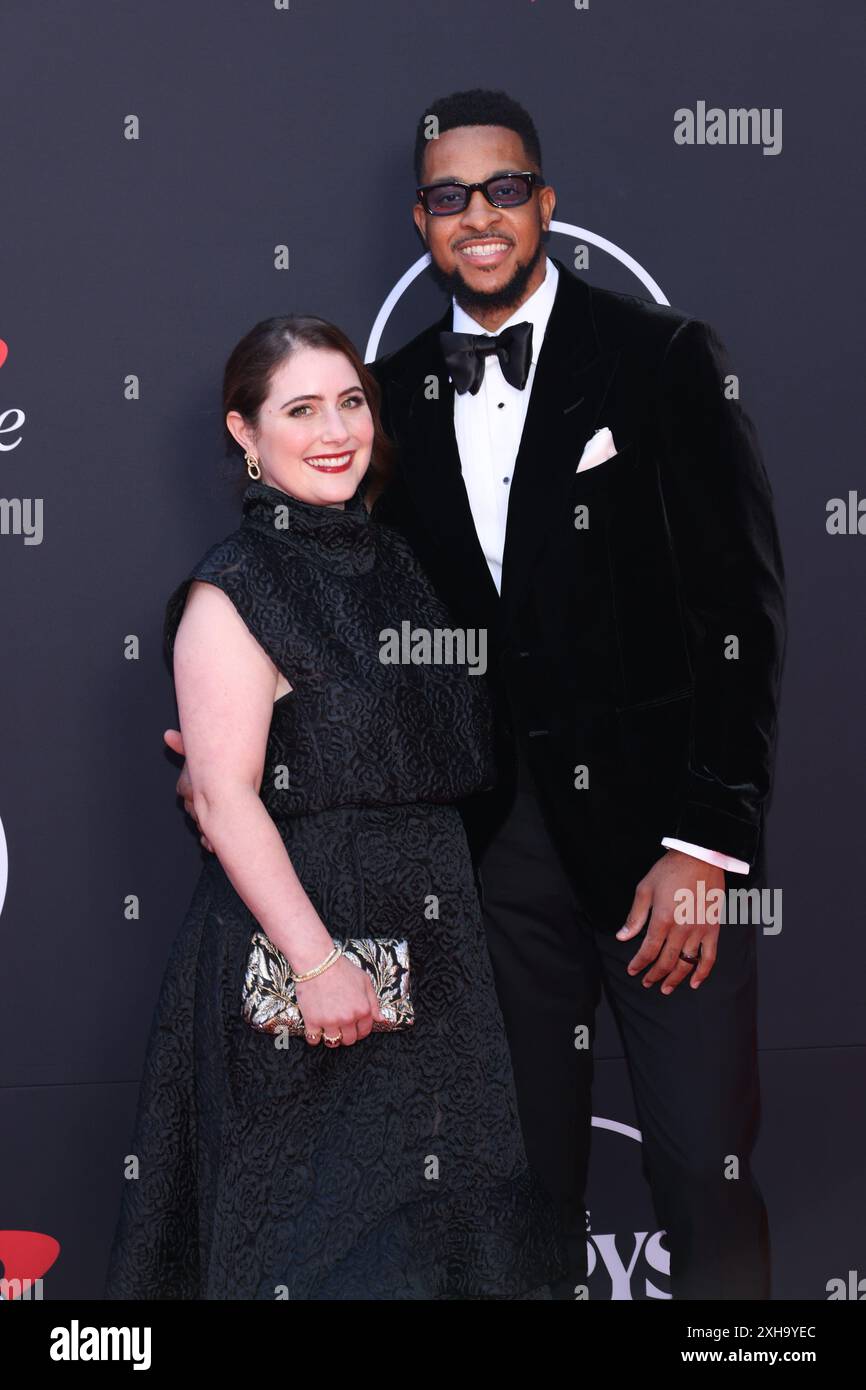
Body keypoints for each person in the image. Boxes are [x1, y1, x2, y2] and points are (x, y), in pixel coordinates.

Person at [169, 89, 787, 1301]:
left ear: (544, 201)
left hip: (660, 857)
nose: (479, 216)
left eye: (502, 188)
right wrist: (227, 739)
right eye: (449, 198)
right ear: (421, 222)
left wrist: (704, 844)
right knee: (514, 1188)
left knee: (701, 1171)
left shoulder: (661, 361)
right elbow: (336, 604)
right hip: (477, 870)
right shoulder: (386, 399)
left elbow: (740, 615)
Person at [104, 313, 569, 1300]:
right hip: (309, 950)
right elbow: (227, 800)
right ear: (245, 432)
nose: (333, 431)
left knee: (447, 1238)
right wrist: (317, 965)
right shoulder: (234, 587)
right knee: (318, 1245)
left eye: (349, 403)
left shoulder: (394, 562)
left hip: (433, 953)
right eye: (300, 409)